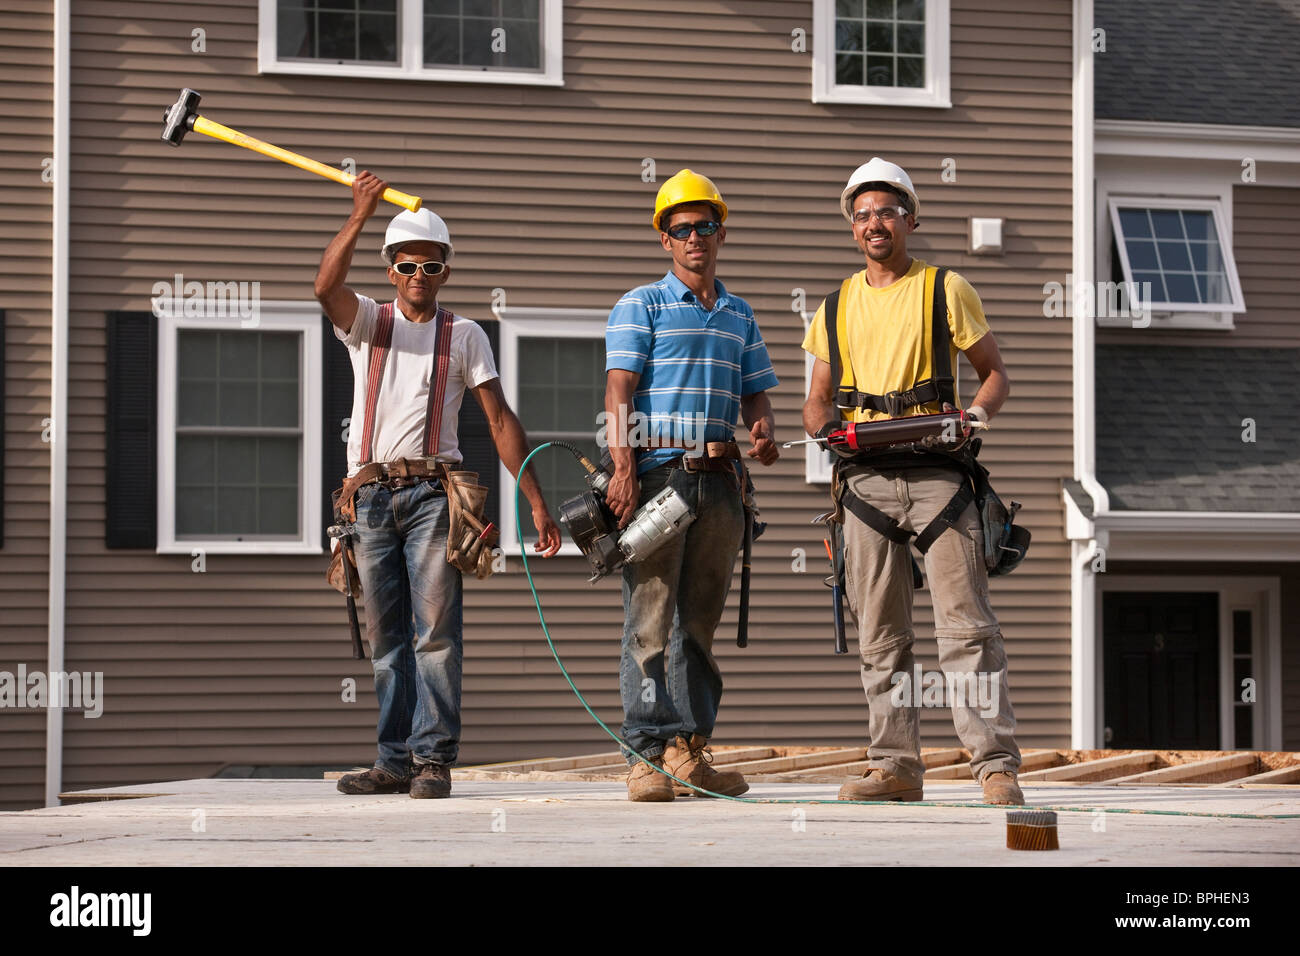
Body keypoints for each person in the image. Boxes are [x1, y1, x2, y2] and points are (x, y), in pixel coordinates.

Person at [316, 172, 561, 799]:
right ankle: (391, 760)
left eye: (431, 265)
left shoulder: (465, 335)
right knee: (386, 635)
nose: (419, 275)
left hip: (433, 495)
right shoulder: (369, 323)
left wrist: (535, 502)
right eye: (408, 265)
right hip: (368, 496)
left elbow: (500, 420)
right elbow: (325, 286)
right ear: (392, 270)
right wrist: (361, 213)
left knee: (434, 631)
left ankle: (431, 761)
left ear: (445, 272)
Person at [800, 158, 1024, 806]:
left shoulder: (945, 290)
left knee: (967, 628)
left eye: (886, 211)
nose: (874, 223)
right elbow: (816, 401)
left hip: (939, 480)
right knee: (881, 633)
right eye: (863, 214)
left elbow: (995, 374)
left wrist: (974, 416)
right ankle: (895, 765)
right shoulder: (835, 305)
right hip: (864, 486)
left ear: (910, 219)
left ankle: (995, 765)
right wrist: (826, 432)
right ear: (853, 228)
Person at [604, 169, 780, 802]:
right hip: (658, 477)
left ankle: (689, 750)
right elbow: (619, 389)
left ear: (721, 233)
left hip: (721, 481)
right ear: (664, 240)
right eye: (681, 229)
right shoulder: (641, 305)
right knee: (649, 620)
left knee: (698, 625)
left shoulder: (739, 313)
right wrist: (623, 468)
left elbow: (756, 391)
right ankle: (646, 753)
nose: (694, 238)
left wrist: (760, 431)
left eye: (705, 227)